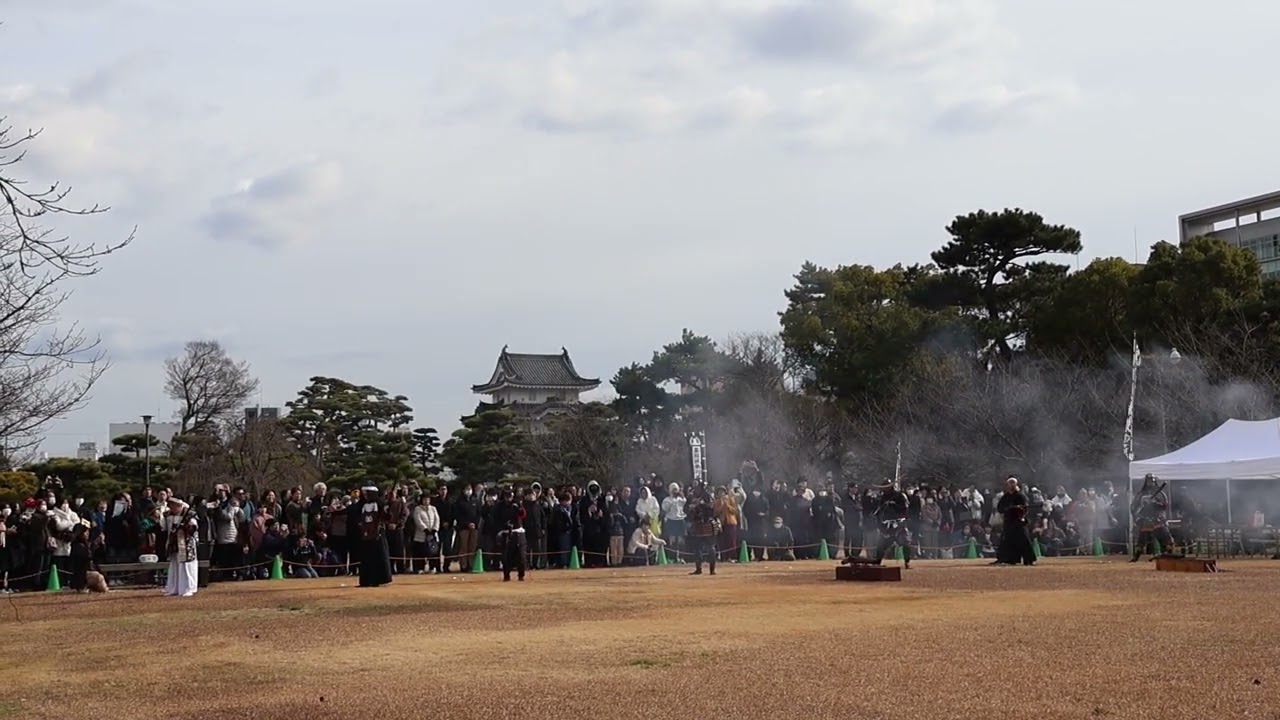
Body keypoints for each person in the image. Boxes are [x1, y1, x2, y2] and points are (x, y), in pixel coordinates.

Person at [1130, 474, 1174, 562]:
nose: (1150, 483)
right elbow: (1134, 507)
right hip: (1145, 518)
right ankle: (1136, 557)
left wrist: (1154, 503)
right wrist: (1137, 517)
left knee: (1167, 539)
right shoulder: (1141, 494)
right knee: (1141, 541)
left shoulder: (1160, 493)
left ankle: (1168, 556)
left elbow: (1164, 506)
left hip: (1158, 519)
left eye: (1152, 481)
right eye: (1149, 481)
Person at [356, 486, 393, 587]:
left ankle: (380, 579)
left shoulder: (380, 504)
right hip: (366, 535)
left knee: (379, 556)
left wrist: (387, 510)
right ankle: (366, 580)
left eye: (367, 493)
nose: (365, 495)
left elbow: (387, 517)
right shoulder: (361, 505)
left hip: (377, 534)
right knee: (366, 558)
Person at [995, 477, 1036, 566]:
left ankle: (1028, 559)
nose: (1011, 485)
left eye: (1013, 483)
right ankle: (1008, 559)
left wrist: (1018, 509)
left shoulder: (1020, 496)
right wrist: (1008, 509)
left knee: (1024, 540)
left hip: (1019, 521)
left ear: (1016, 484)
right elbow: (1000, 508)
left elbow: (1025, 508)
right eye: (1010, 483)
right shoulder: (1005, 497)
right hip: (1008, 522)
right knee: (1008, 540)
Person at [164, 497, 200, 597]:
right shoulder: (168, 515)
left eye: (173, 505)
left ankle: (188, 588)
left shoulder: (189, 515)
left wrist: (185, 527)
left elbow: (193, 529)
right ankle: (174, 588)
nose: (171, 507)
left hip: (186, 543)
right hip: (174, 543)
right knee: (175, 565)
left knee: (186, 566)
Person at [873, 481, 911, 570]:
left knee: (905, 543)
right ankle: (877, 562)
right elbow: (880, 511)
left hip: (899, 522)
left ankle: (907, 562)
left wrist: (895, 505)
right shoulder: (882, 497)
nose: (884, 489)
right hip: (887, 524)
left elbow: (905, 508)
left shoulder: (900, 496)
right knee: (881, 545)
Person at [493, 488, 527, 582]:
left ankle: (521, 575)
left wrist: (519, 507)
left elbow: (523, 515)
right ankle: (506, 575)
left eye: (511, 496)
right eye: (507, 496)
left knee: (521, 556)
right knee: (506, 556)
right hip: (505, 532)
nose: (509, 498)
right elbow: (495, 519)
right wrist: (502, 527)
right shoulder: (499, 506)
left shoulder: (517, 504)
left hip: (518, 532)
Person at [686, 484, 720, 576]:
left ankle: (712, 570)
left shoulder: (707, 496)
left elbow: (712, 509)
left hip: (707, 523)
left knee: (710, 547)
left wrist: (703, 504)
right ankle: (698, 568)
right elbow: (686, 509)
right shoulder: (691, 497)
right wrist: (692, 507)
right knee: (697, 548)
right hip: (697, 524)